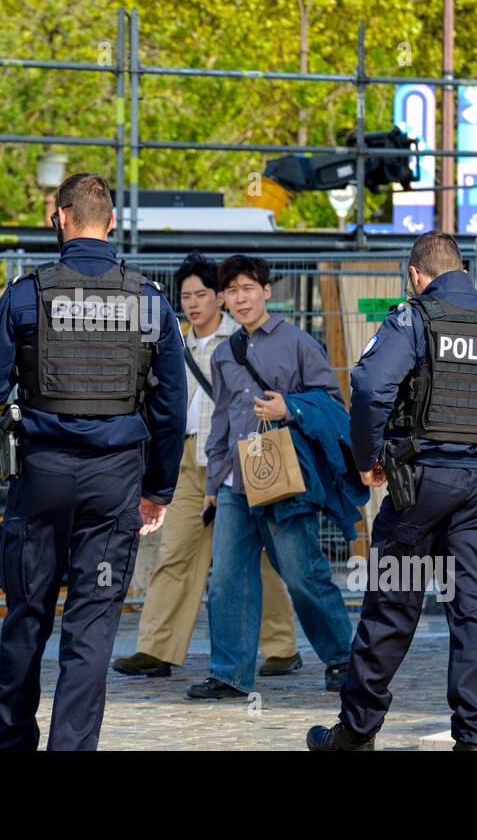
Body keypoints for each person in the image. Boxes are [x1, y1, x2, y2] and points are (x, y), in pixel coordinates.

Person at [0, 172, 186, 751]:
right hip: (113, 482)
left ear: (58, 218)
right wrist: (158, 489)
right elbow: (171, 407)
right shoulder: (148, 300)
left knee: (26, 618)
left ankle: (14, 744)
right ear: (111, 223)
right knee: (92, 627)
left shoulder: (25, 293)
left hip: (40, 475)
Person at [308, 231, 477, 751]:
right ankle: (476, 740)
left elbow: (371, 388)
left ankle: (357, 730)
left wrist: (369, 461)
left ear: (416, 274)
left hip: (418, 488)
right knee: (476, 610)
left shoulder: (412, 318)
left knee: (392, 607)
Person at [112, 253, 300, 681]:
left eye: (201, 294)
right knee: (174, 553)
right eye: (186, 296)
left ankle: (281, 646)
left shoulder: (240, 341)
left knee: (261, 557)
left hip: (242, 458)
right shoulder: (173, 342)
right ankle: (156, 648)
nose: (193, 303)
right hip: (186, 460)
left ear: (220, 297)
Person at [188, 254, 363, 701]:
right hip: (234, 484)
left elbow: (332, 402)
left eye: (249, 288)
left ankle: (342, 658)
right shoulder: (227, 352)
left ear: (266, 291)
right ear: (223, 298)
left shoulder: (298, 342)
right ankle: (230, 674)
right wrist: (212, 486)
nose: (240, 298)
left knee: (303, 573)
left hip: (285, 479)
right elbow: (223, 420)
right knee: (227, 578)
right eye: (232, 291)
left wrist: (290, 408)